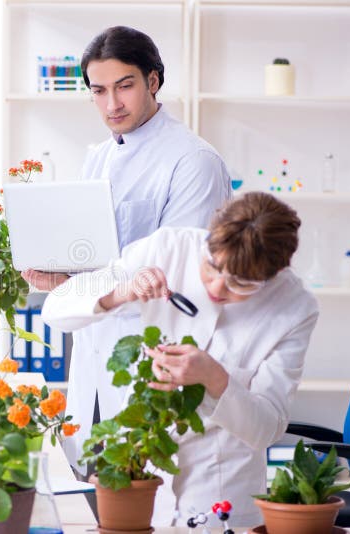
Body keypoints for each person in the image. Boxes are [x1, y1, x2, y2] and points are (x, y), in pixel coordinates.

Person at [22, 26, 232, 476]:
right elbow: (99, 265)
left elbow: (176, 276)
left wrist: (91, 285)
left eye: (125, 86)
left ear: (153, 81)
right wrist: (64, 282)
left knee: (143, 496)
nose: (112, 104)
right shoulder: (97, 157)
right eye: (99, 91)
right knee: (88, 490)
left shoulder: (194, 161)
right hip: (93, 356)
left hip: (150, 361)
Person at [41, 192, 320, 527]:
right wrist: (122, 292)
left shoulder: (294, 307)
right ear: (210, 237)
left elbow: (267, 428)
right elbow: (55, 309)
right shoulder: (169, 248)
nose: (218, 287)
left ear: (273, 274)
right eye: (212, 267)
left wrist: (215, 379)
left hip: (221, 490)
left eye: (240, 284)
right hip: (141, 474)